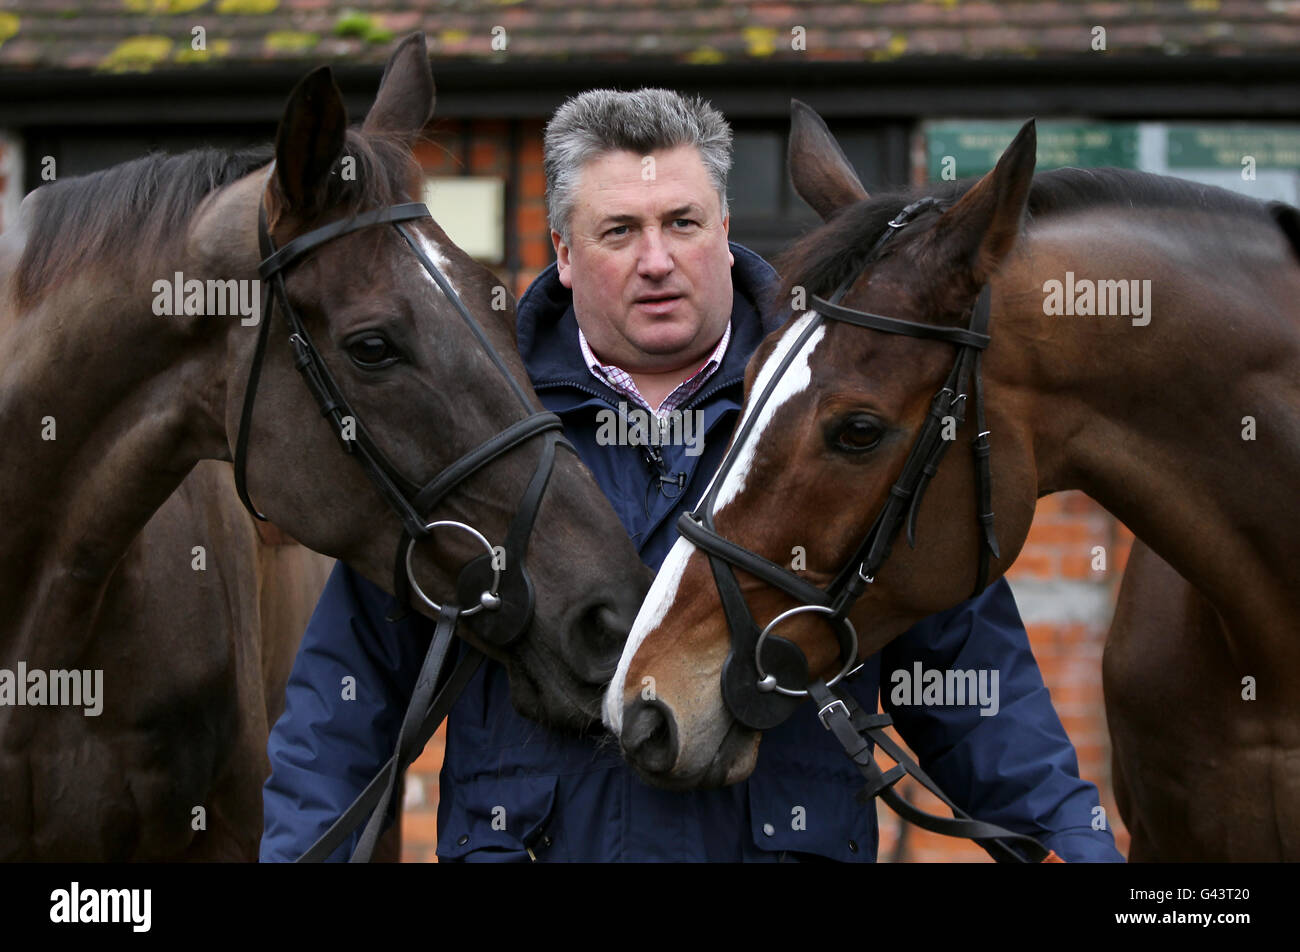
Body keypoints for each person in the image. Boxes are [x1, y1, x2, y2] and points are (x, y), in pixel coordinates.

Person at [260, 88, 1123, 863]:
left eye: (682, 222)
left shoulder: (840, 416)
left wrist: (1081, 856)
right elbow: (349, 704)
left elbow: (976, 689)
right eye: (619, 231)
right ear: (562, 252)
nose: (657, 259)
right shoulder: (463, 428)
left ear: (723, 228)